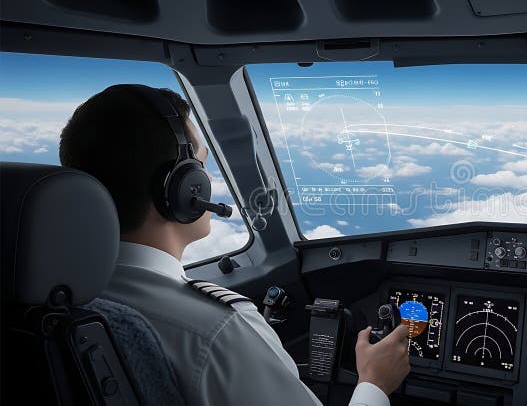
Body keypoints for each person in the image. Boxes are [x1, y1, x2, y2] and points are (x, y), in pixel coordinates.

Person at [59, 84, 410, 405]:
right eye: (201, 164)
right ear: (182, 188)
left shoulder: (56, 300)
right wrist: (374, 384)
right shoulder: (217, 334)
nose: (208, 179)